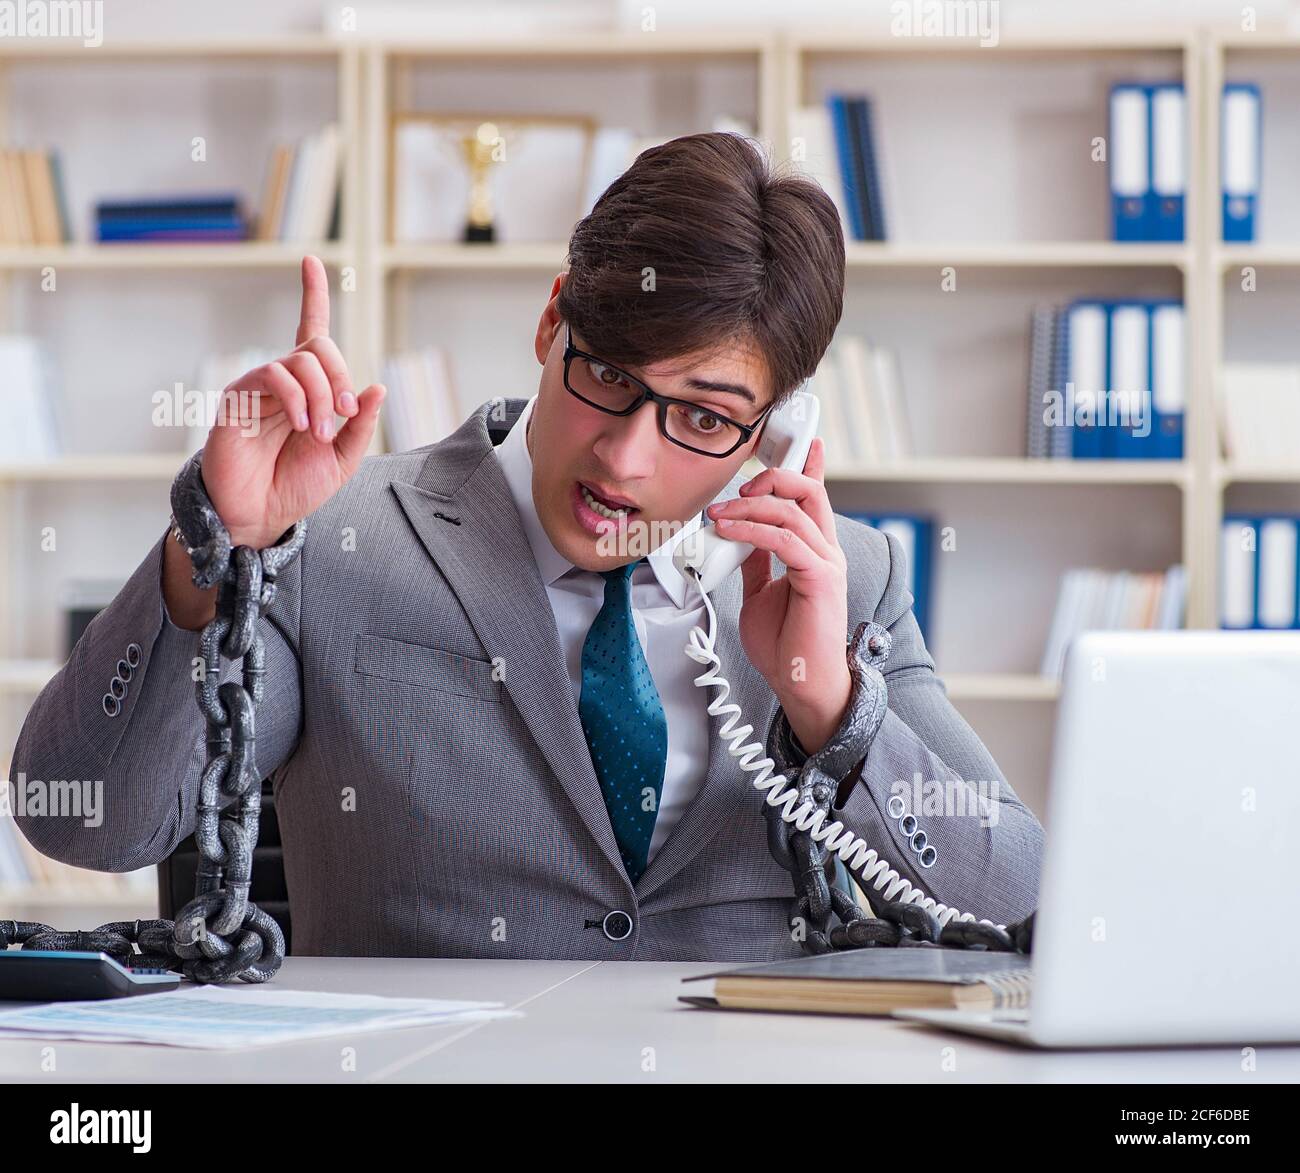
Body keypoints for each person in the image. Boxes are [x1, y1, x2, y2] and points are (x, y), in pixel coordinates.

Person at [10, 132, 1042, 961]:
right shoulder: (328, 538)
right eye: (609, 378)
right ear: (553, 323)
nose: (629, 457)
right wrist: (219, 549)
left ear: (776, 433)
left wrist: (830, 710)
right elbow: (88, 824)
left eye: (704, 418)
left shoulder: (848, 578)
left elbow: (1022, 901)